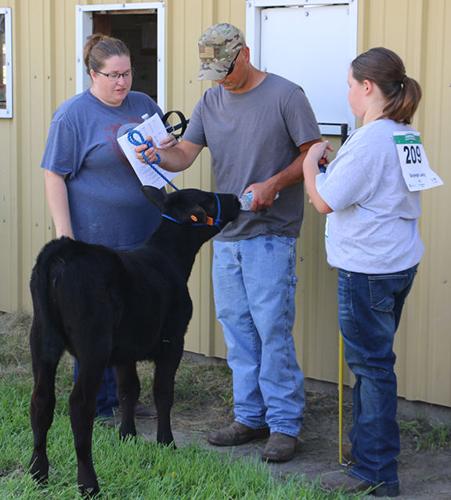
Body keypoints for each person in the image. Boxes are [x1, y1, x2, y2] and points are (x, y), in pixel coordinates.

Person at [136, 23, 321, 462]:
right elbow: (184, 154)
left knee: (271, 330)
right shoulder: (211, 99)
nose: (221, 78)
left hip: (271, 235)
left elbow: (313, 152)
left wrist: (274, 183)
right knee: (237, 332)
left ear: (246, 53)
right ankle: (249, 417)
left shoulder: (285, 95)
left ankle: (283, 426)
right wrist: (156, 154)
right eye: (213, 71)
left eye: (226, 68)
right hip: (225, 237)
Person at [303, 47, 424, 497]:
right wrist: (332, 171)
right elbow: (376, 190)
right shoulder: (403, 134)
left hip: (367, 270)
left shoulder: (370, 139)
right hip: (398, 263)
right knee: (375, 364)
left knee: (372, 368)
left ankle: (375, 472)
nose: (349, 93)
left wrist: (309, 163)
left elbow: (323, 201)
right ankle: (370, 458)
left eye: (351, 85)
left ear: (367, 87)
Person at [41, 34, 176, 419]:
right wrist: (65, 236)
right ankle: (95, 404)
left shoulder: (144, 105)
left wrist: (161, 152)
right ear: (91, 73)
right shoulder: (73, 115)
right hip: (95, 241)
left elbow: (165, 153)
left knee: (134, 320)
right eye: (113, 75)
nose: (122, 83)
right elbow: (54, 175)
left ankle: (126, 399)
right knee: (94, 324)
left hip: (145, 237)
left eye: (127, 73)